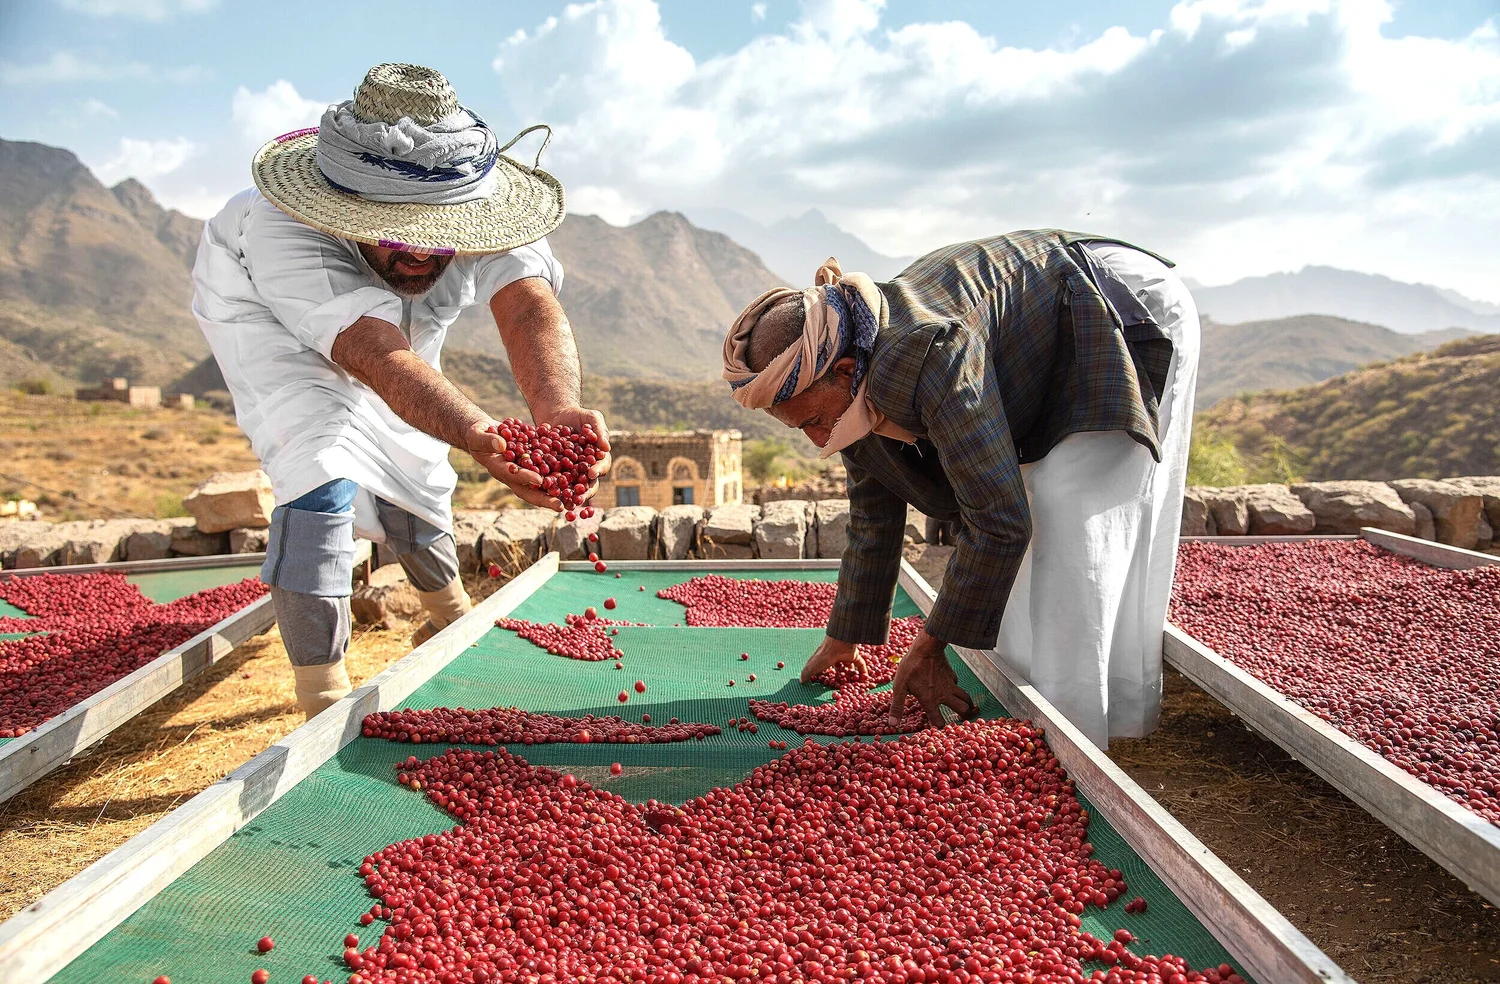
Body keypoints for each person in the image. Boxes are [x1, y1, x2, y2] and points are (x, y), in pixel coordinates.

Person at [193, 63, 609, 718]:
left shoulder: (476, 196)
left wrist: (554, 409)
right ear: (347, 211)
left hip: (397, 341)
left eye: (438, 239)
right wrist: (479, 435)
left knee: (416, 457)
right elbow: (380, 359)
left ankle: (448, 617)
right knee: (320, 468)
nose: (420, 255)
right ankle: (321, 700)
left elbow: (527, 305)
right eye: (398, 235)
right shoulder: (281, 231)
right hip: (273, 321)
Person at [722, 232, 1199, 747]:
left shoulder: (927, 353)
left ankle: (1083, 732)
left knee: (1066, 510)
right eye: (802, 429)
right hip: (1046, 318)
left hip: (1113, 303)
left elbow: (998, 518)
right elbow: (874, 517)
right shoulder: (850, 369)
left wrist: (931, 646)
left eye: (815, 420)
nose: (819, 439)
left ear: (843, 372)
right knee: (1030, 509)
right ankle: (1035, 704)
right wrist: (846, 635)